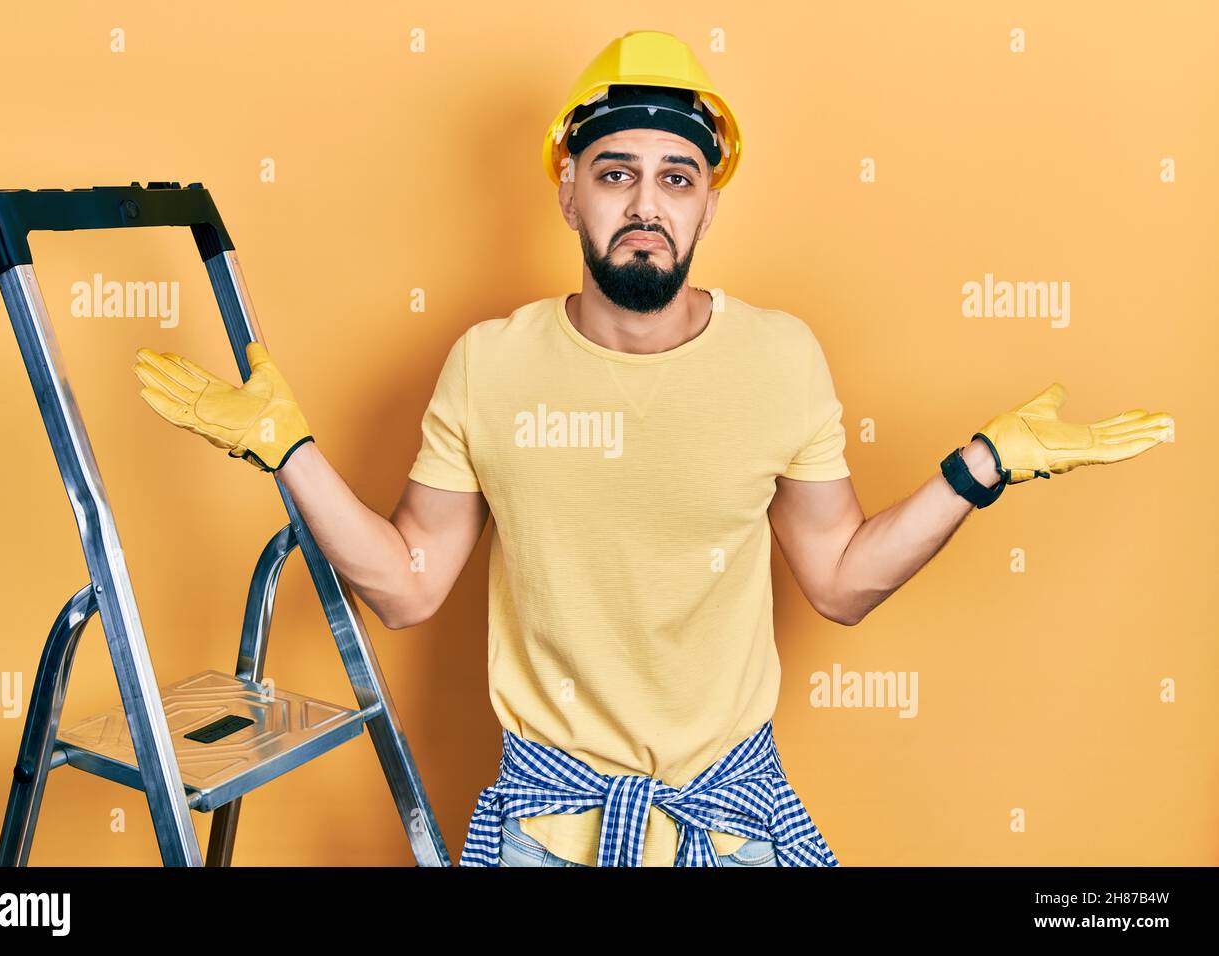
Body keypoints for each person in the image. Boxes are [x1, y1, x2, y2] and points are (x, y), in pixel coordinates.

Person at [130, 30, 1175, 867]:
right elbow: (406, 587)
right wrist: (287, 447)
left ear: (709, 202)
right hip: (547, 821)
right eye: (616, 171)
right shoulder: (490, 365)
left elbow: (841, 579)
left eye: (677, 178)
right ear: (567, 188)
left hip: (730, 816)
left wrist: (980, 466)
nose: (645, 204)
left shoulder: (780, 357)